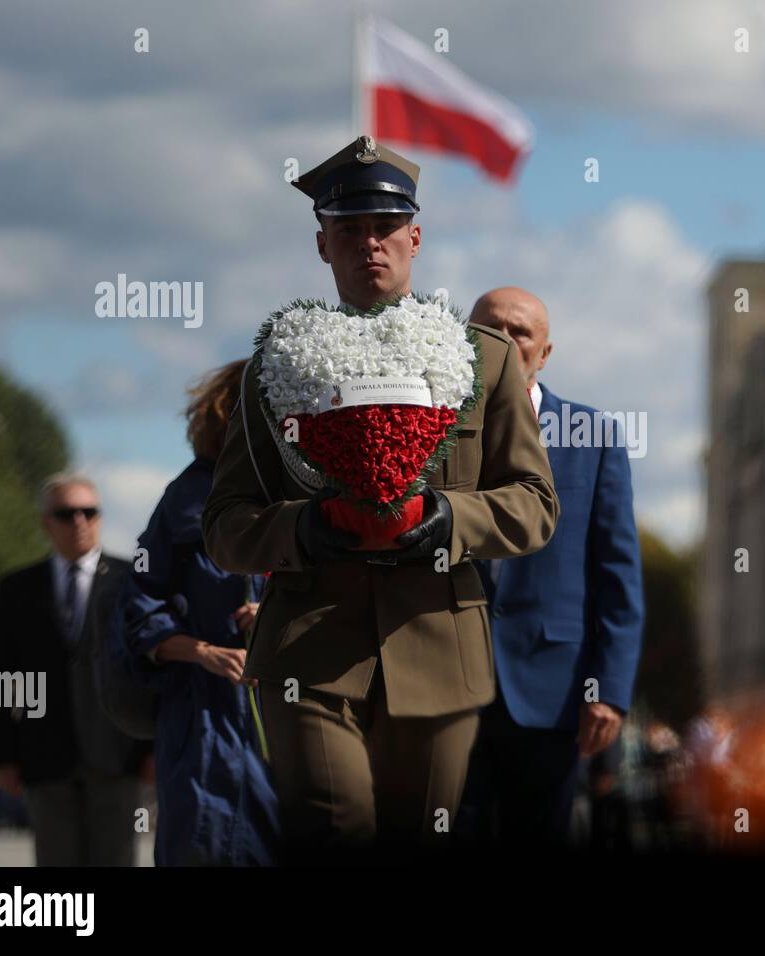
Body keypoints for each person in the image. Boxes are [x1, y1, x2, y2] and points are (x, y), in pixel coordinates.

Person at [202, 137, 558, 858]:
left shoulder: (483, 358)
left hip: (438, 644)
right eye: (349, 230)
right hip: (310, 648)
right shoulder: (276, 364)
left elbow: (534, 503)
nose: (370, 245)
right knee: (338, 829)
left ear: (415, 238)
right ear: (322, 246)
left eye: (385, 228)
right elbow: (226, 525)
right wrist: (301, 530)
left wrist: (450, 517)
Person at [456, 287, 644, 847]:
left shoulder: (594, 440)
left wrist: (608, 689)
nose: (504, 341)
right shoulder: (427, 432)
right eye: (490, 329)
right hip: (444, 685)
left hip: (552, 692)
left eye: (520, 332)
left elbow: (618, 576)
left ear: (545, 352)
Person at [120, 360, 279, 865]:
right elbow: (139, 607)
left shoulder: (316, 490)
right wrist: (204, 652)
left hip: (290, 714)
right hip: (201, 716)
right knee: (200, 842)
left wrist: (283, 615)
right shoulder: (185, 497)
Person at [0, 473, 147, 865]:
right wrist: (3, 754)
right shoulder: (18, 588)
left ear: (99, 518)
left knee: (115, 858)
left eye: (88, 512)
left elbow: (146, 670)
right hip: (44, 755)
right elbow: (5, 676)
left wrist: (153, 746)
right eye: (66, 513)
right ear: (46, 523)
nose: (79, 521)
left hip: (116, 753)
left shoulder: (131, 582)